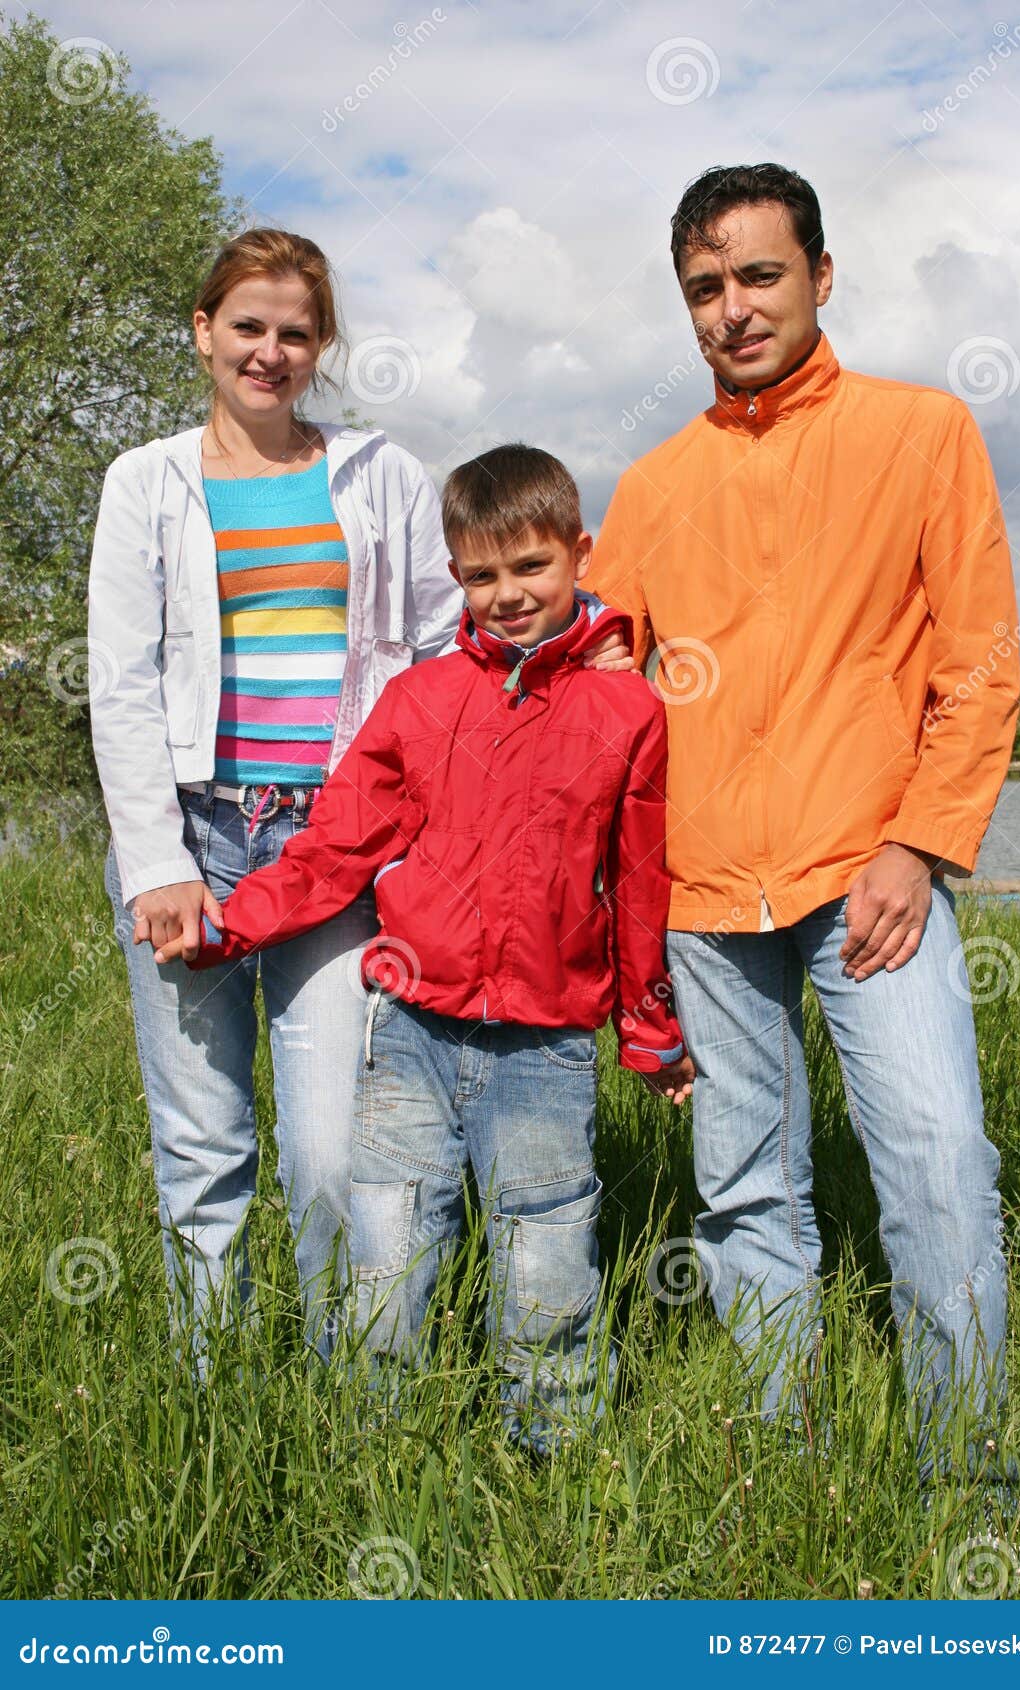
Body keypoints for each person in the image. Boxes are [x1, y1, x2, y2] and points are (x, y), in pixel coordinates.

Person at [89, 230, 632, 1369]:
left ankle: (346, 1387)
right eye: (247, 325)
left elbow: (457, 634)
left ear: (321, 344)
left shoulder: (376, 473)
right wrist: (157, 863)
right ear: (203, 330)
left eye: (295, 332)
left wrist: (584, 650)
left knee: (334, 1149)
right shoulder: (147, 481)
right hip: (192, 836)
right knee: (201, 1143)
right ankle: (215, 1377)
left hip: (334, 842)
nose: (269, 351)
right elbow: (121, 680)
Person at [585, 164, 1020, 1476]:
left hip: (868, 877)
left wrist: (918, 842)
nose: (730, 308)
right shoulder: (650, 486)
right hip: (703, 894)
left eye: (758, 275)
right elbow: (598, 703)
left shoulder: (922, 431)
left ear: (820, 276)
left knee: (935, 1157)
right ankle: (787, 1458)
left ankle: (966, 1470)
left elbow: (977, 661)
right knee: (741, 1188)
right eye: (702, 288)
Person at [156, 443, 695, 1451]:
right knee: (388, 1253)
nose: (508, 594)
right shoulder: (417, 701)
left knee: (546, 1256)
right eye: (482, 575)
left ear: (579, 554)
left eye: (531, 566)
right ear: (454, 576)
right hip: (409, 1030)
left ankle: (556, 1456)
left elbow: (638, 884)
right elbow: (336, 847)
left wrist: (649, 1029)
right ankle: (373, 1447)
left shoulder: (628, 710)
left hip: (544, 1043)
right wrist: (231, 924)